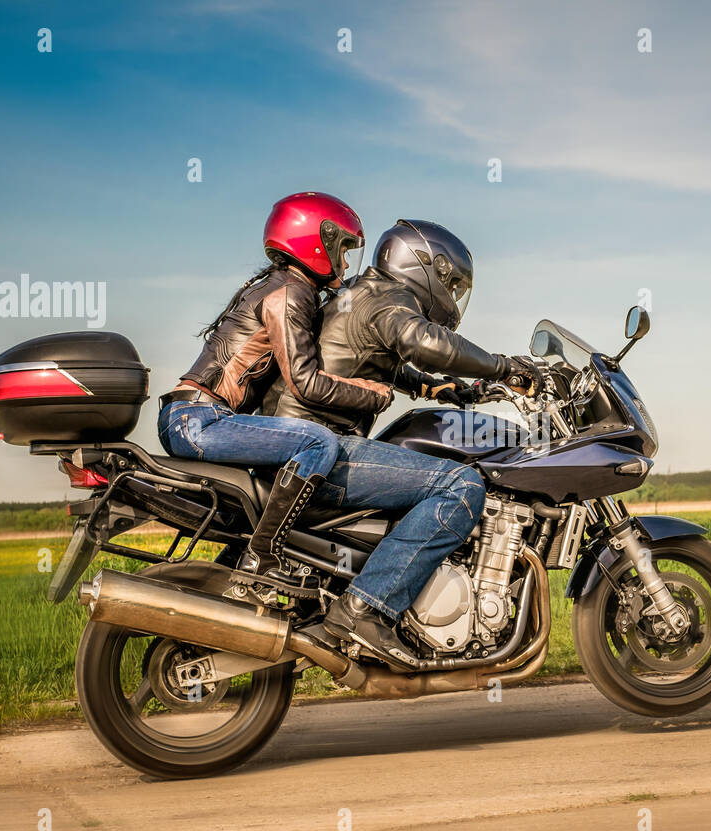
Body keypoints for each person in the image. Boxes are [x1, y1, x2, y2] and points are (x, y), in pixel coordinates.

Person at [260, 219, 542, 669]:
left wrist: (438, 389)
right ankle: (364, 608)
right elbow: (421, 340)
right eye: (450, 283)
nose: (451, 295)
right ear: (423, 266)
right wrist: (505, 369)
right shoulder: (389, 300)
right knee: (461, 486)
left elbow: (378, 359)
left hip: (301, 449)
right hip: (324, 452)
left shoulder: (362, 295)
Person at [157, 192, 392, 581]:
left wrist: (429, 384)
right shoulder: (290, 294)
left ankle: (229, 582)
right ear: (317, 241)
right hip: (200, 419)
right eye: (343, 248)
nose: (347, 261)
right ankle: (263, 555)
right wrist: (374, 394)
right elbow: (305, 383)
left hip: (190, 415)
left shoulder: (281, 286)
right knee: (317, 443)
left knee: (259, 493)